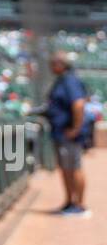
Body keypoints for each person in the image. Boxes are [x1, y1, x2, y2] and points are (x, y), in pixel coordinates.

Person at [43, 52, 91, 216]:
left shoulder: (70, 80)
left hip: (69, 133)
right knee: (66, 168)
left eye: (53, 63)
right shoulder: (63, 80)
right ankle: (70, 202)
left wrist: (75, 129)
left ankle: (79, 205)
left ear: (62, 64)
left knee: (74, 168)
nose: (51, 66)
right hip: (62, 132)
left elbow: (78, 105)